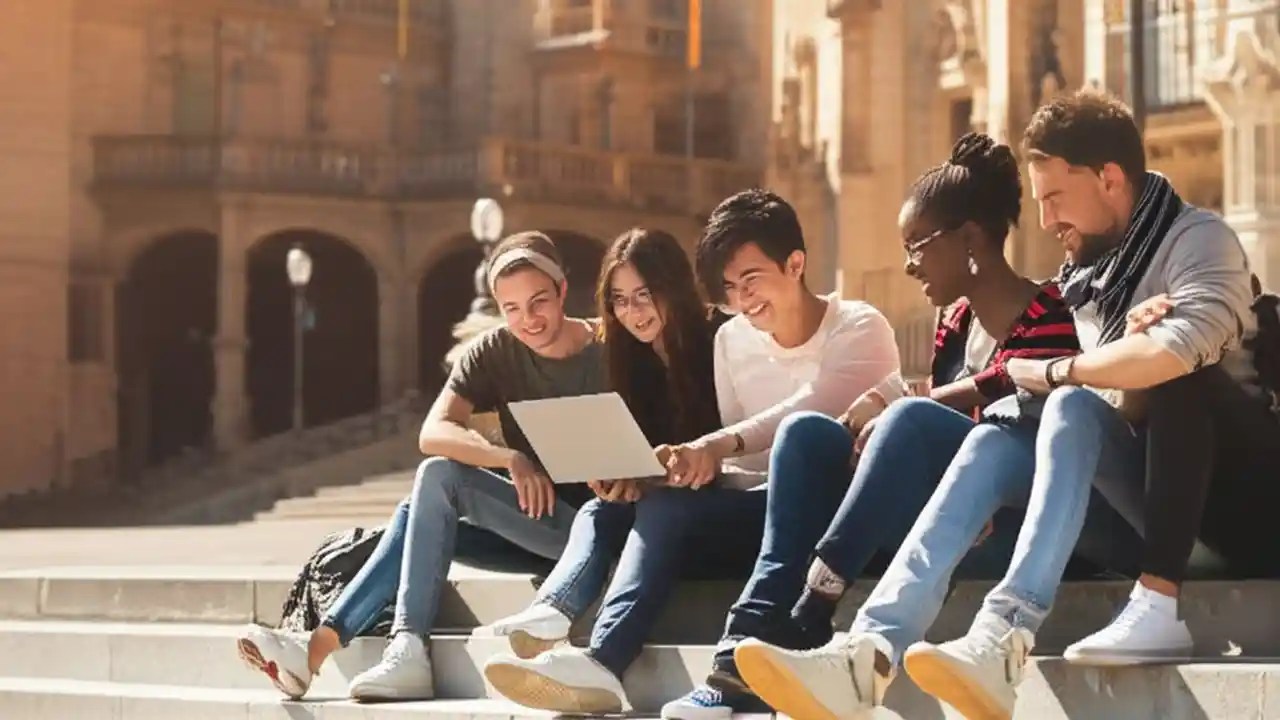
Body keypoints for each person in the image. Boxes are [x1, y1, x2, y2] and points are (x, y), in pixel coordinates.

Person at [727, 88, 1275, 720]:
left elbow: (1179, 357)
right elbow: (1120, 410)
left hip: (1237, 510)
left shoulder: (1198, 241)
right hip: (1144, 504)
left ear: (1110, 179)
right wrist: (1101, 366)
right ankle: (875, 651)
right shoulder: (1089, 278)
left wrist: (1059, 369)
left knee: (1074, 399)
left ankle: (1018, 627)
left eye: (1054, 199)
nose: (1042, 222)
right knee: (998, 437)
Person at [662, 133, 1090, 720]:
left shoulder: (1050, 313)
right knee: (808, 434)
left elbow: (1013, 404)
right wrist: (874, 402)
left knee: (910, 418)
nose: (909, 265)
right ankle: (752, 633)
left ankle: (812, 609)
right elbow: (935, 399)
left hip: (1001, 523)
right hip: (927, 516)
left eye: (918, 246)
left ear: (969, 240)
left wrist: (900, 402)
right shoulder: (956, 321)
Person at [480, 188, 902, 714]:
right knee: (622, 505)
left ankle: (637, 659)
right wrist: (670, 470)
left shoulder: (860, 325)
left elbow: (813, 413)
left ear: (795, 264)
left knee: (797, 438)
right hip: (752, 510)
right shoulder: (734, 341)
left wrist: (711, 446)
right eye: (730, 288)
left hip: (827, 518)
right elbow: (739, 467)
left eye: (751, 281)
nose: (743, 301)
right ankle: (582, 641)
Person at [235, 231, 606, 701]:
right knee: (422, 502)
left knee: (430, 491)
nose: (527, 320)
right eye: (511, 308)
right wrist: (509, 457)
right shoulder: (495, 350)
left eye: (538, 303)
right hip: (530, 525)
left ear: (562, 290)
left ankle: (351, 650)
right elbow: (433, 432)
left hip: (593, 532)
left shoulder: (608, 343)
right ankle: (350, 650)